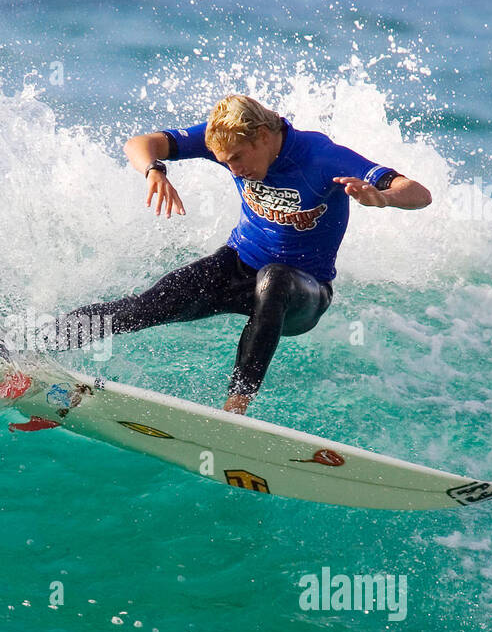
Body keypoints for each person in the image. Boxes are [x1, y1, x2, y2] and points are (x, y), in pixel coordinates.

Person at [58, 94, 431, 414]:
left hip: (303, 293)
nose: (233, 169)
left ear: (264, 136)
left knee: (275, 278)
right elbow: (140, 143)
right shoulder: (223, 139)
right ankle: (31, 342)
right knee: (148, 305)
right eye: (224, 162)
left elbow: (417, 192)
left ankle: (235, 410)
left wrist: (381, 197)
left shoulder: (322, 156)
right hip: (240, 264)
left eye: (236, 158)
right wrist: (154, 171)